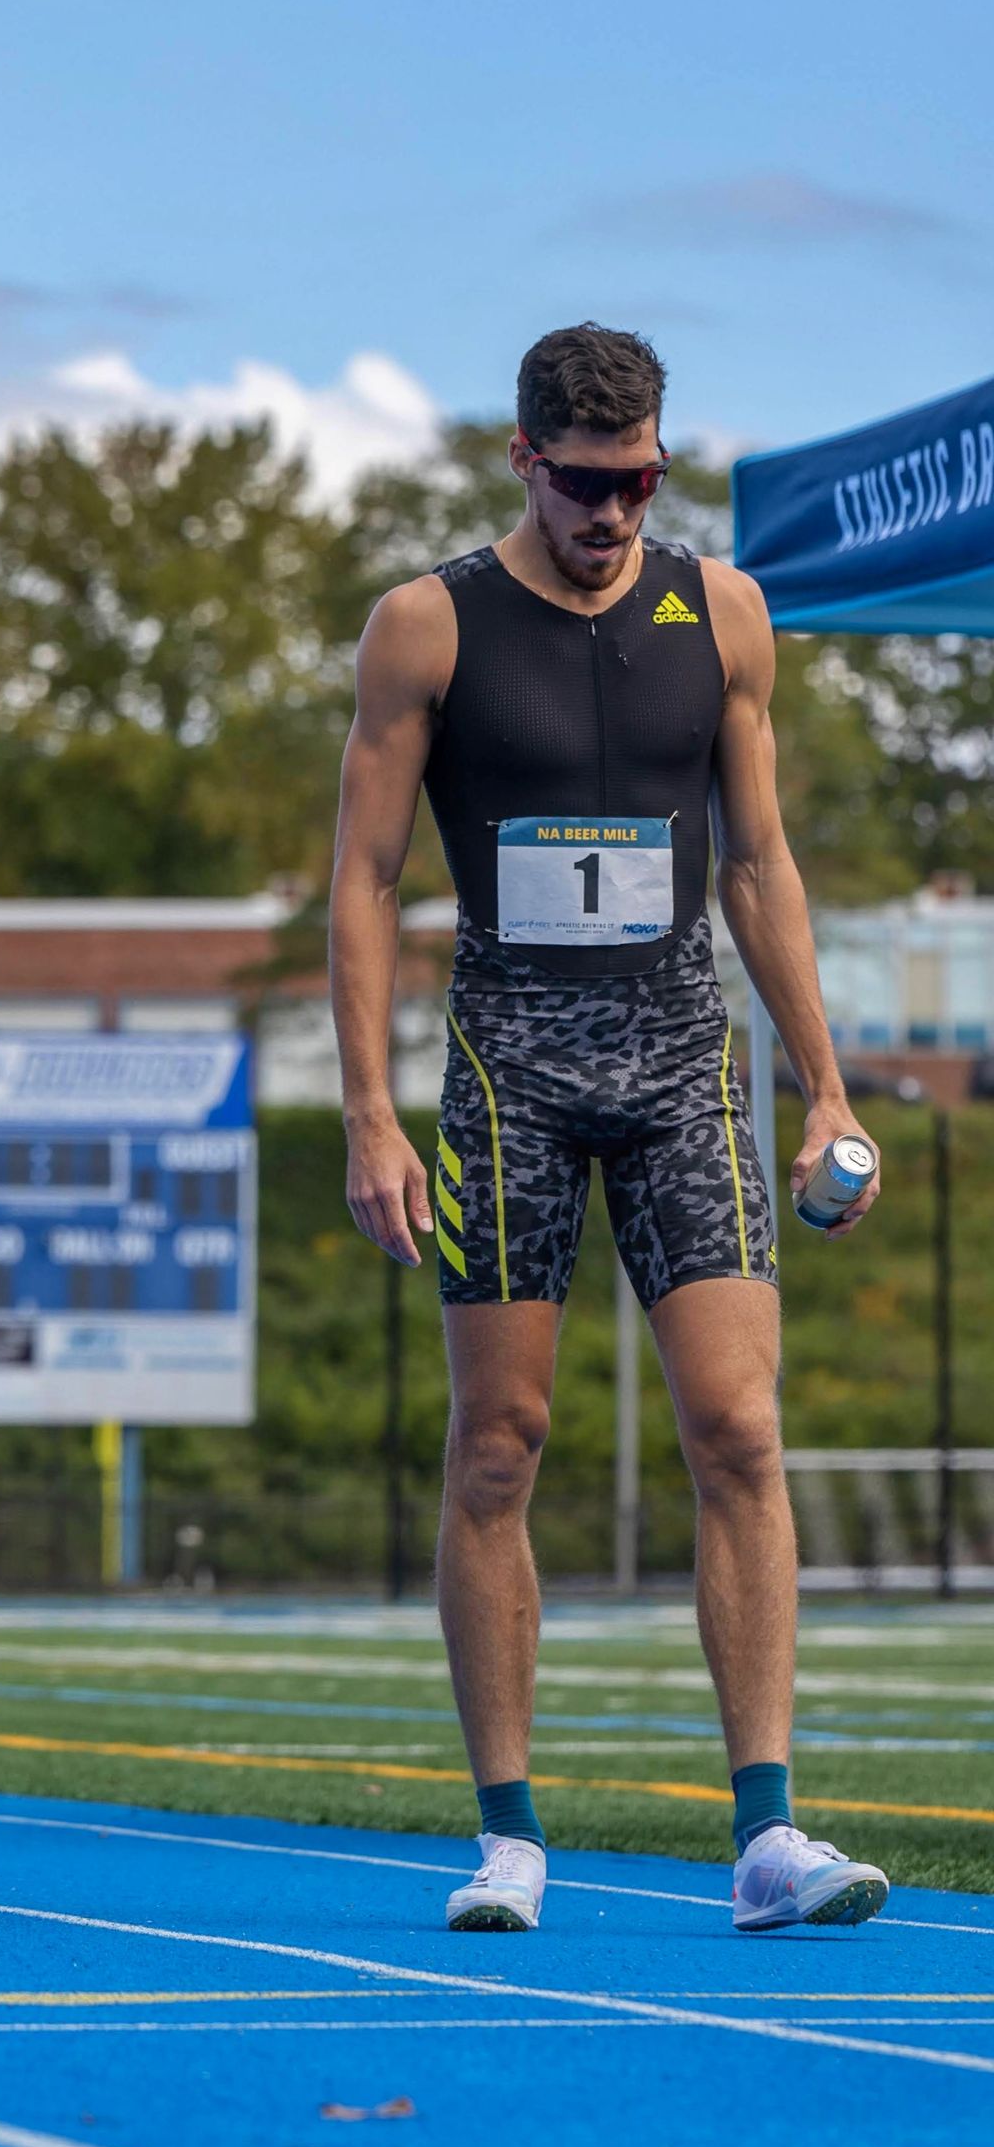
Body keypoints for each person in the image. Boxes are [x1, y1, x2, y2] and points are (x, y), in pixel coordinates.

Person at [329, 322, 889, 1936]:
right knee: (500, 1446)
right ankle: (508, 1834)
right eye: (587, 485)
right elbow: (363, 882)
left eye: (642, 479)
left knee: (739, 1430)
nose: (616, 513)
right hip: (509, 1063)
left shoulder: (722, 612)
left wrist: (826, 1082)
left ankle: (769, 1836)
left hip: (677, 1065)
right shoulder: (428, 625)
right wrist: (371, 1112)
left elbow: (759, 865)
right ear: (525, 460)